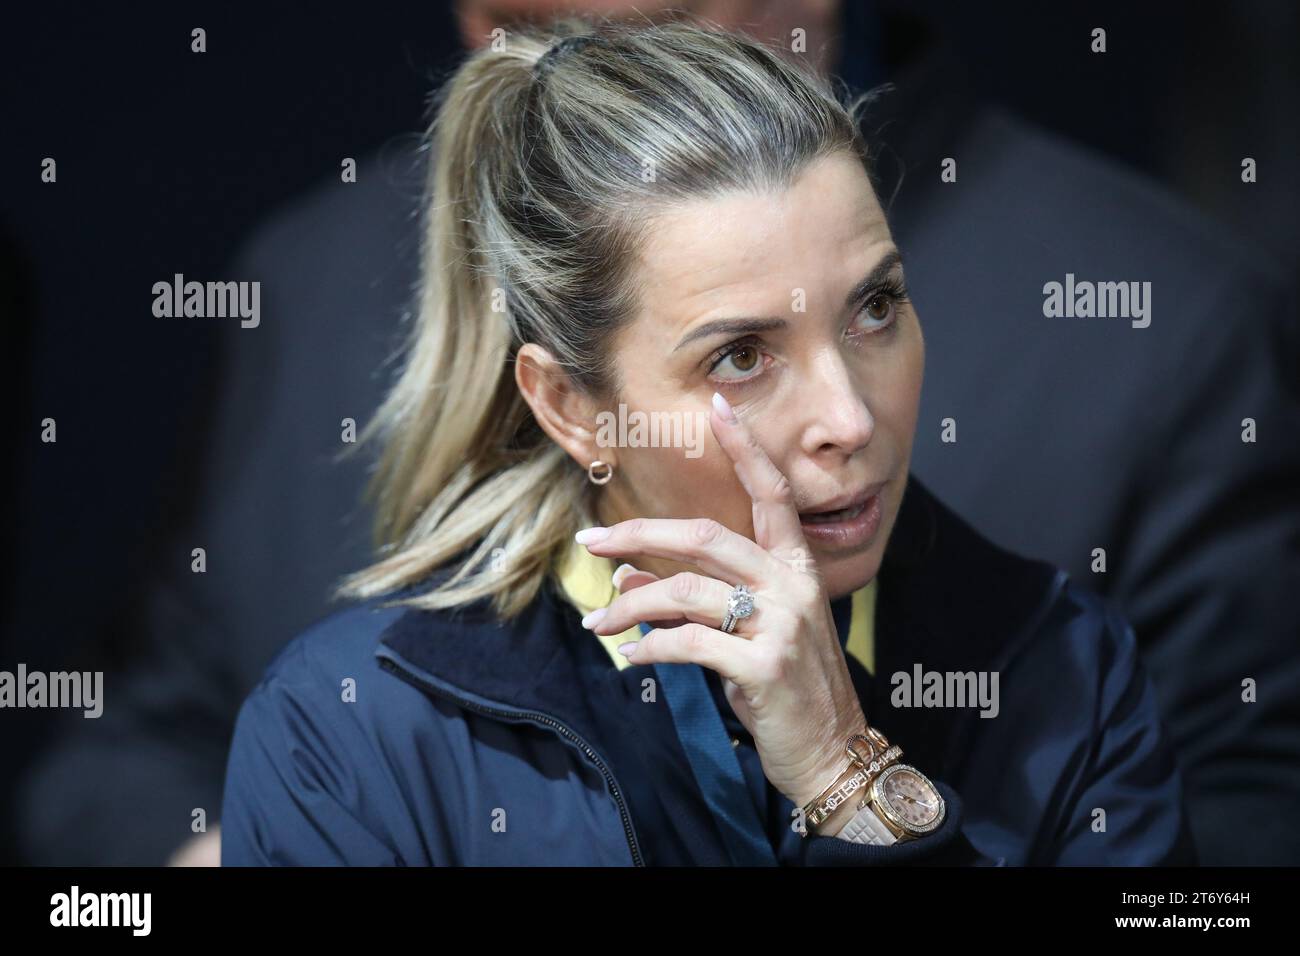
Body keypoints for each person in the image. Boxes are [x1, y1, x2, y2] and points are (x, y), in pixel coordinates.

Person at [20, 0, 1298, 867]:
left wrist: (854, 789)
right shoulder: (352, 720)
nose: (848, 419)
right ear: (569, 403)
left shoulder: (1072, 671)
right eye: (739, 355)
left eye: (878, 308)